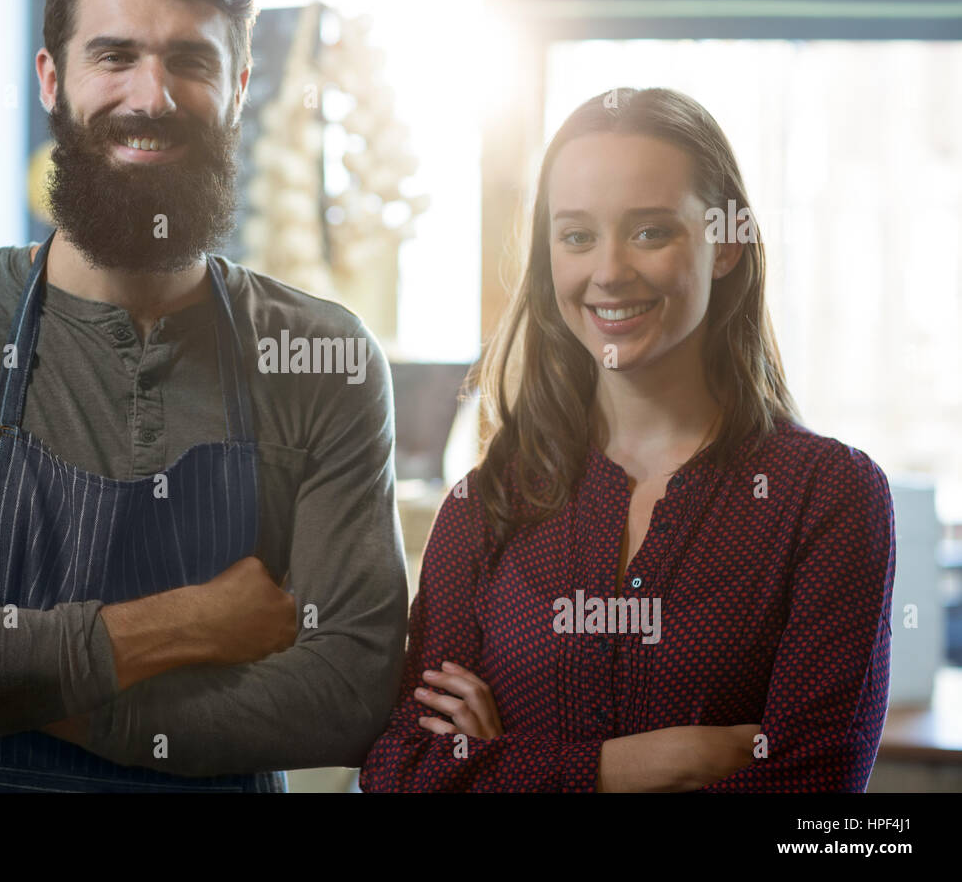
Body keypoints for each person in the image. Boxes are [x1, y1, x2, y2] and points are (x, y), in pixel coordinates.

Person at [0, 0, 409, 793]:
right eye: (115, 56)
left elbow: (349, 696)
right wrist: (190, 625)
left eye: (191, 63)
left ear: (239, 88)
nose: (152, 96)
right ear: (52, 82)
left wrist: (40, 681)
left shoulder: (323, 357)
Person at [359, 87, 896, 792]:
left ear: (727, 243)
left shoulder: (829, 497)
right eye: (577, 236)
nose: (609, 271)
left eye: (651, 231)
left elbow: (811, 802)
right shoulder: (487, 502)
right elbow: (401, 768)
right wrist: (653, 764)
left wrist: (505, 769)